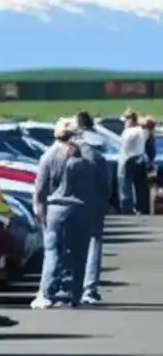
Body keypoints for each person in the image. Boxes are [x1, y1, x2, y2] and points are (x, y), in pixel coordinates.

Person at [32, 119, 97, 309]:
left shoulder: (49, 156)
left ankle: (46, 293)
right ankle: (75, 293)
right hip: (80, 208)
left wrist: (40, 210)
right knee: (78, 254)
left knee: (53, 252)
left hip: (56, 209)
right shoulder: (85, 157)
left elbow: (40, 189)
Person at [74, 111, 112, 304]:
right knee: (94, 242)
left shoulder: (67, 150)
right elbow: (105, 183)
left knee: (71, 245)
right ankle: (89, 287)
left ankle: (71, 285)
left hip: (71, 202)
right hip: (94, 202)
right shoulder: (97, 153)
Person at [119, 111, 147, 214]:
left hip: (130, 159)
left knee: (126, 184)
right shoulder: (139, 130)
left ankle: (127, 207)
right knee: (138, 186)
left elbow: (126, 144)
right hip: (138, 159)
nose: (125, 122)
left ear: (130, 120)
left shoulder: (131, 131)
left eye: (126, 120)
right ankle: (139, 207)